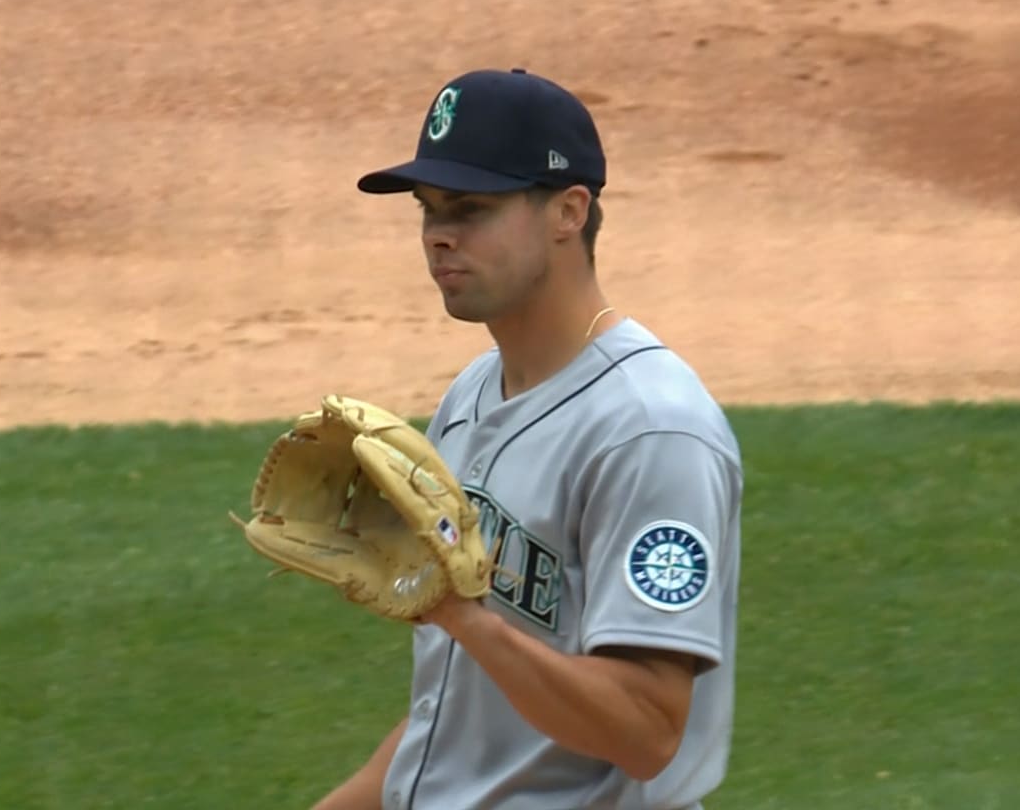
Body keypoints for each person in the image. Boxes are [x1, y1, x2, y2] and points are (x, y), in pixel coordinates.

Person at [312, 68, 744, 810]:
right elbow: (459, 715)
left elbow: (646, 732)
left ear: (568, 211)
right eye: (428, 209)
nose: (439, 235)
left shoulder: (650, 430)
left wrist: (457, 614)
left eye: (471, 209)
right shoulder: (471, 395)